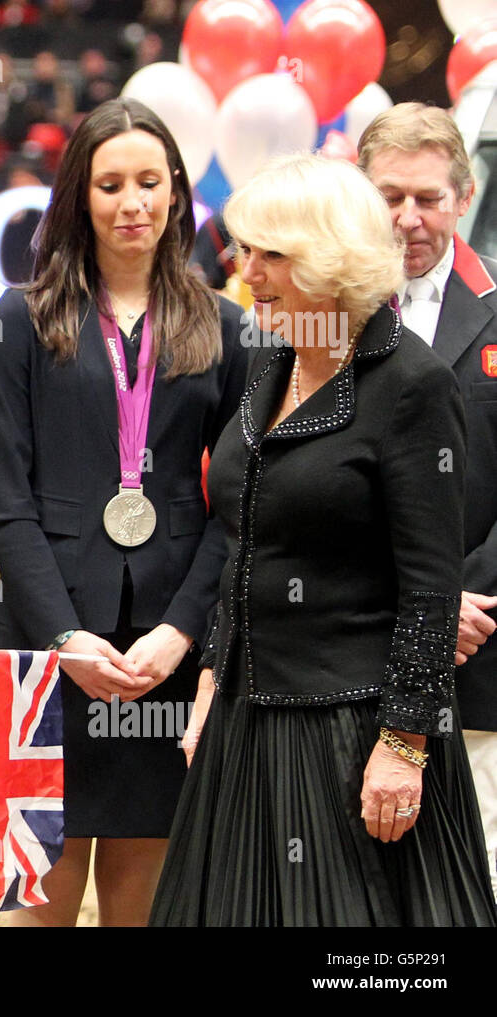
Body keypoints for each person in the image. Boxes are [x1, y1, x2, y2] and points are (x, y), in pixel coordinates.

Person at [151, 154, 497, 926]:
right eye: (245, 250)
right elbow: (244, 539)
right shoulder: (273, 358)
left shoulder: (411, 383)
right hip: (247, 716)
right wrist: (213, 675)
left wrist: (405, 744)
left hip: (354, 728)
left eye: (273, 255)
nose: (248, 272)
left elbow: (431, 585)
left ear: (332, 257)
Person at [0, 96, 249, 926]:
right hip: (45, 644)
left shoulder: (225, 325)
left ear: (176, 189)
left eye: (148, 181)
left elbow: (237, 505)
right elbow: (4, 499)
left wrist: (180, 632)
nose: (132, 203)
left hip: (162, 653)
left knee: (144, 902)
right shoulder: (21, 319)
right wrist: (61, 635)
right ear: (79, 196)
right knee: (35, 901)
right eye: (110, 184)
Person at [358, 103, 497, 902]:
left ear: (464, 195)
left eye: (428, 197)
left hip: (482, 655)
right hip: (352, 644)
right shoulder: (316, 321)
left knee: (477, 881)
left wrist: (452, 606)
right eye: (389, 197)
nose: (409, 218)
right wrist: (411, 604)